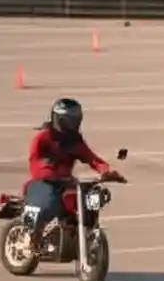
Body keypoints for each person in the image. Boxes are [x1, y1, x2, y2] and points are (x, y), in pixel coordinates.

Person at [24, 98, 121, 250]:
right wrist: (47, 172)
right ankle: (33, 236)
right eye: (69, 120)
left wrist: (106, 170)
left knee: (89, 200)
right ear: (59, 120)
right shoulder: (44, 137)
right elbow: (34, 159)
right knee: (47, 204)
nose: (73, 124)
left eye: (75, 120)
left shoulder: (75, 141)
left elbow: (92, 158)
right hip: (44, 181)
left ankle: (81, 232)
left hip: (65, 181)